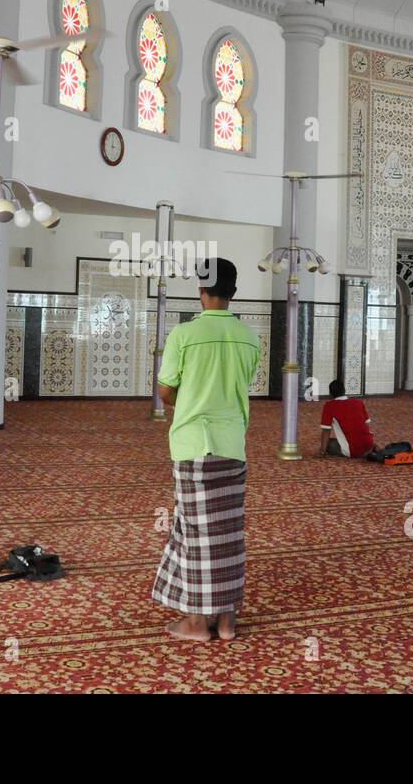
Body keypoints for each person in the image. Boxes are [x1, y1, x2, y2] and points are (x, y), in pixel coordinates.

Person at [151, 257, 261, 642]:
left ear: (200, 292)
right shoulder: (250, 337)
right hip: (233, 444)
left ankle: (197, 623)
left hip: (193, 444)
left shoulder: (184, 335)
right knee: (228, 532)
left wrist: (190, 401)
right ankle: (227, 620)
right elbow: (240, 385)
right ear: (233, 293)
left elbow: (165, 390)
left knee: (195, 532)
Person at [317, 379, 381, 460]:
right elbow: (366, 424)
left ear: (330, 393)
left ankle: (357, 451)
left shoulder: (329, 406)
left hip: (352, 450)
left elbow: (326, 431)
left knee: (329, 444)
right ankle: (369, 448)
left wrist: (322, 451)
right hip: (369, 445)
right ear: (345, 390)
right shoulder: (358, 402)